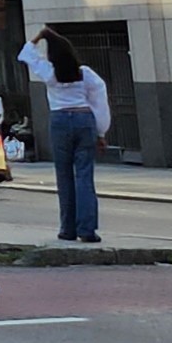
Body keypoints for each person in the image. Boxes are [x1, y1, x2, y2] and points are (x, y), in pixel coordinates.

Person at [38, 29, 110, 243]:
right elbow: (99, 98)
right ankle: (87, 229)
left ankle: (67, 229)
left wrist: (41, 36)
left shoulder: (48, 72)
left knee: (64, 176)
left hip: (59, 121)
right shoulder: (85, 73)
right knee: (84, 175)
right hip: (84, 119)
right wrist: (101, 131)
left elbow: (25, 54)